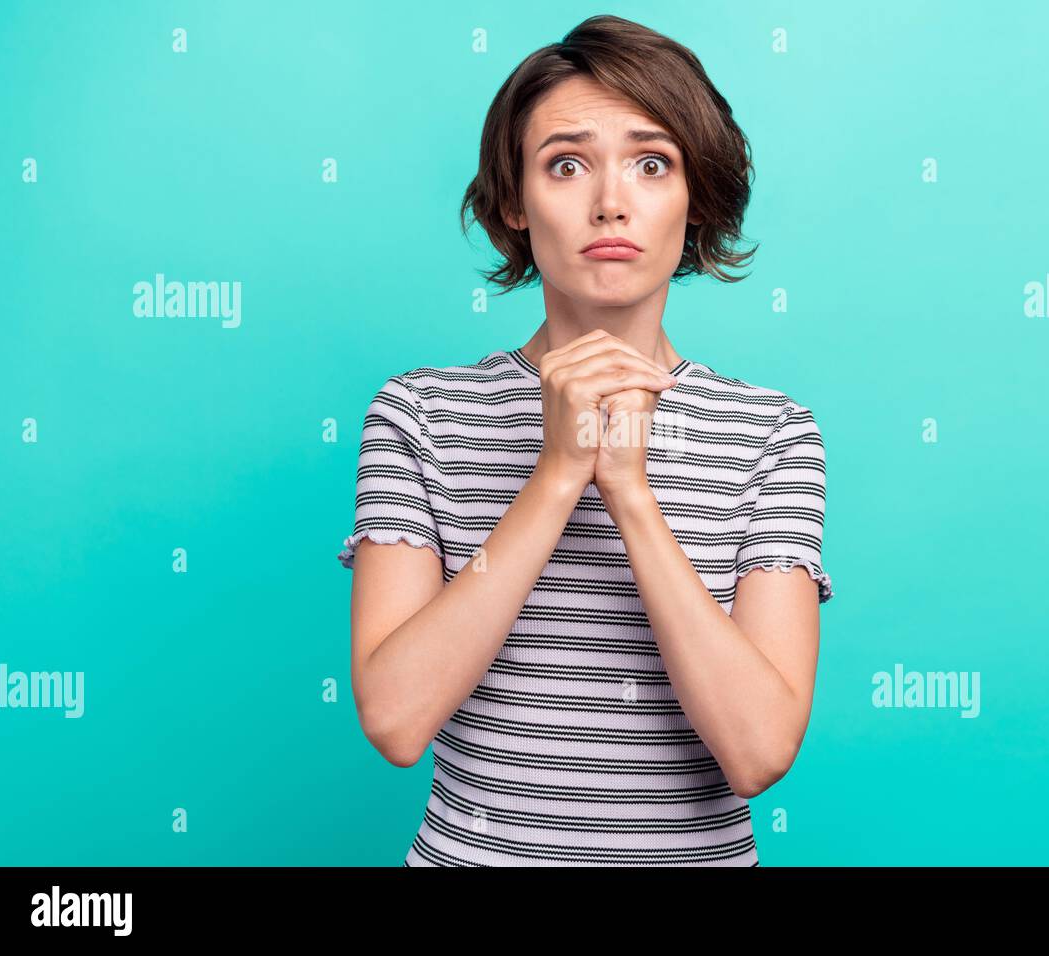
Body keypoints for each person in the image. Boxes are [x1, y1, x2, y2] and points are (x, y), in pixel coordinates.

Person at [338, 15, 833, 866]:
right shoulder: (419, 414)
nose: (611, 201)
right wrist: (558, 472)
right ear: (513, 204)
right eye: (566, 164)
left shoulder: (774, 434)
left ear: (695, 196)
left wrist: (631, 494)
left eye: (653, 163)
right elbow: (395, 719)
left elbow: (758, 753)